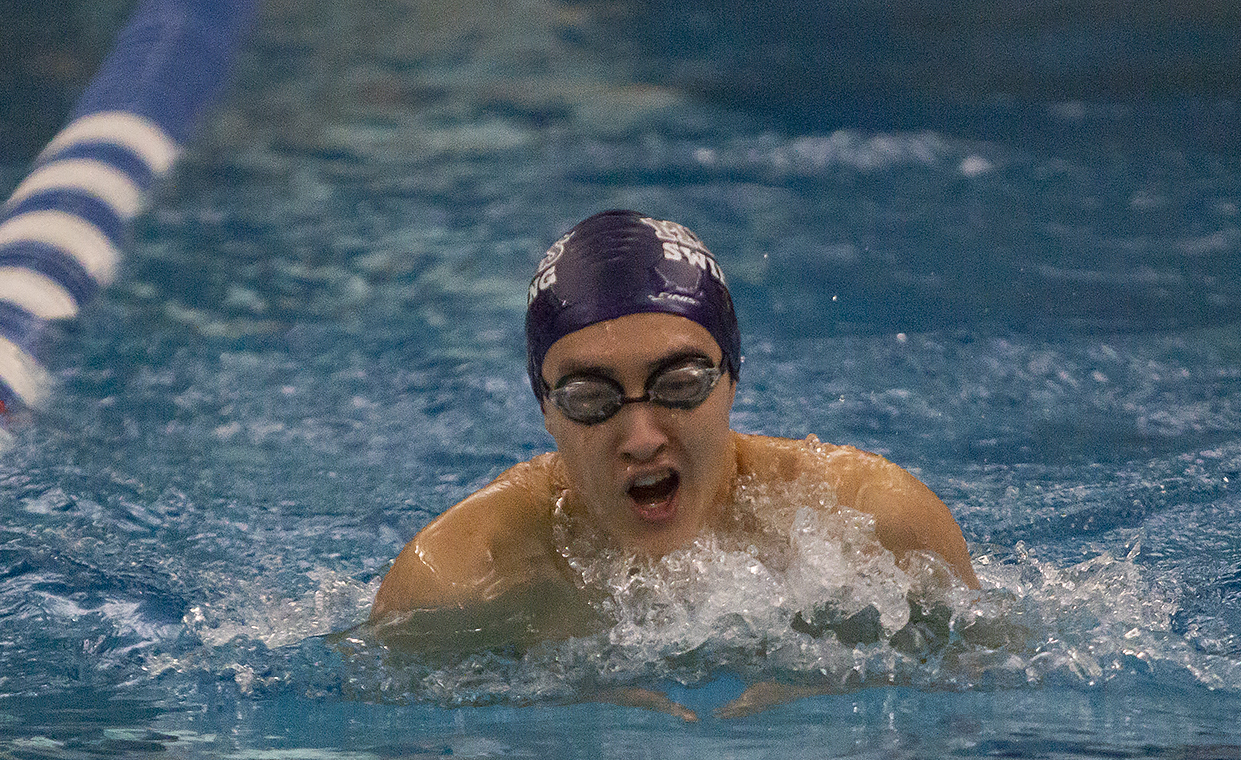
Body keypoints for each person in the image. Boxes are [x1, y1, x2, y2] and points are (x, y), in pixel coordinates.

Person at [362, 209, 979, 718]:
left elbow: (987, 685)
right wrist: (573, 708)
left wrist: (835, 693)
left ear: (731, 381)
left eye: (679, 384)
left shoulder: (874, 524)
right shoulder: (458, 578)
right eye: (589, 397)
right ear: (546, 413)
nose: (641, 436)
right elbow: (395, 757)